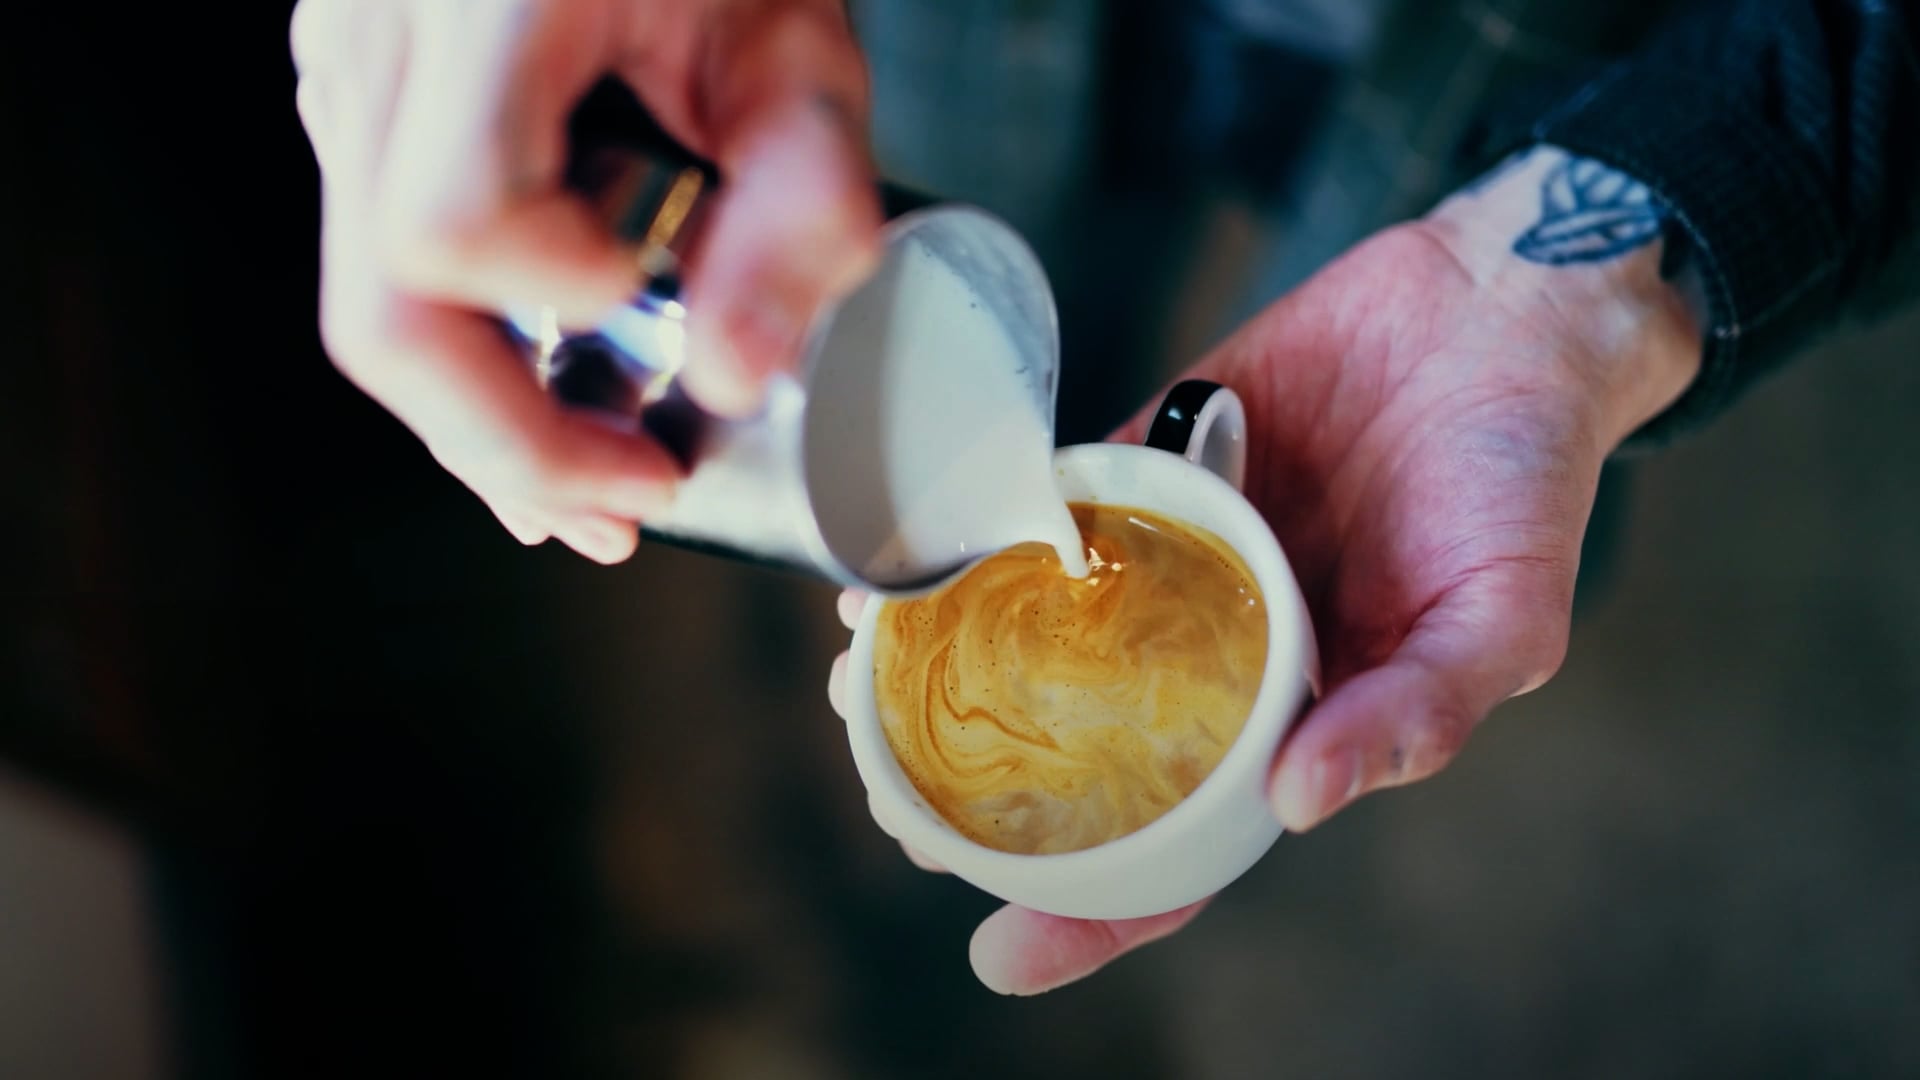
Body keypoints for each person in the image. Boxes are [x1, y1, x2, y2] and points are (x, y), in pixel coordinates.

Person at [290, 0, 1919, 996]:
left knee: (1377, 519)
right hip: (957, 45)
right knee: (1042, 307)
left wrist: (1585, 286)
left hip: (1580, 48)